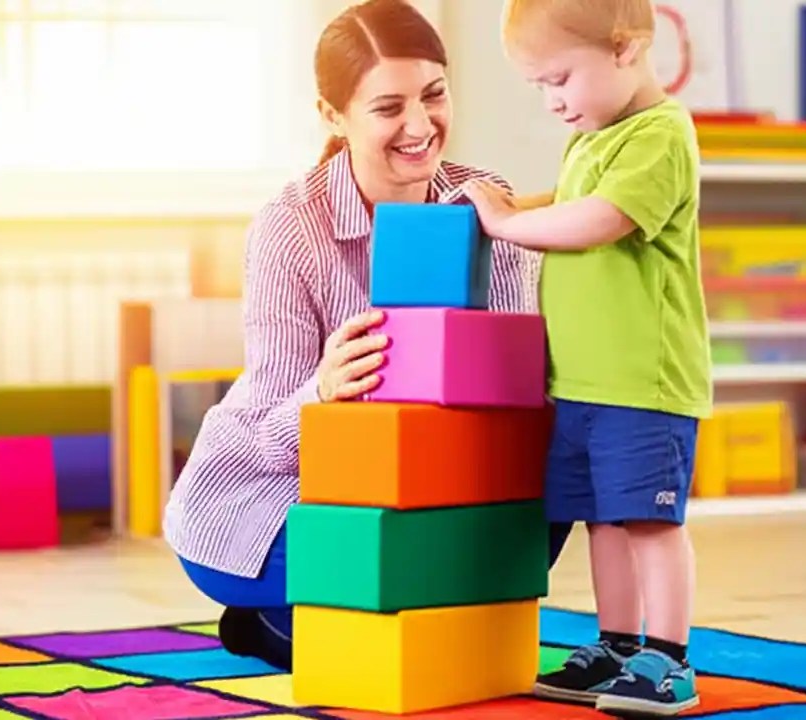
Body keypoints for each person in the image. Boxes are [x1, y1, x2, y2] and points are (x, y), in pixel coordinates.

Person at [162, 0, 568, 673]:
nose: (420, 125)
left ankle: (314, 627)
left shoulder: (483, 201)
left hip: (446, 482)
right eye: (388, 108)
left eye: (434, 96)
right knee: (384, 555)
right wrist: (321, 390)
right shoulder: (291, 228)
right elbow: (264, 429)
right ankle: (300, 618)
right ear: (332, 115)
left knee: (542, 499)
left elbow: (515, 385)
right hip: (279, 495)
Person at [460, 0, 711, 715]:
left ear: (627, 48)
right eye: (540, 85)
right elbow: (574, 197)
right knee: (602, 519)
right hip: (581, 384)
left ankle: (669, 659)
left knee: (651, 523)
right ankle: (620, 644)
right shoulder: (596, 139)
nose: (552, 99)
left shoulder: (662, 133)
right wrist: (509, 204)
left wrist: (511, 225)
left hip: (644, 383)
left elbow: (603, 218)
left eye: (560, 78)